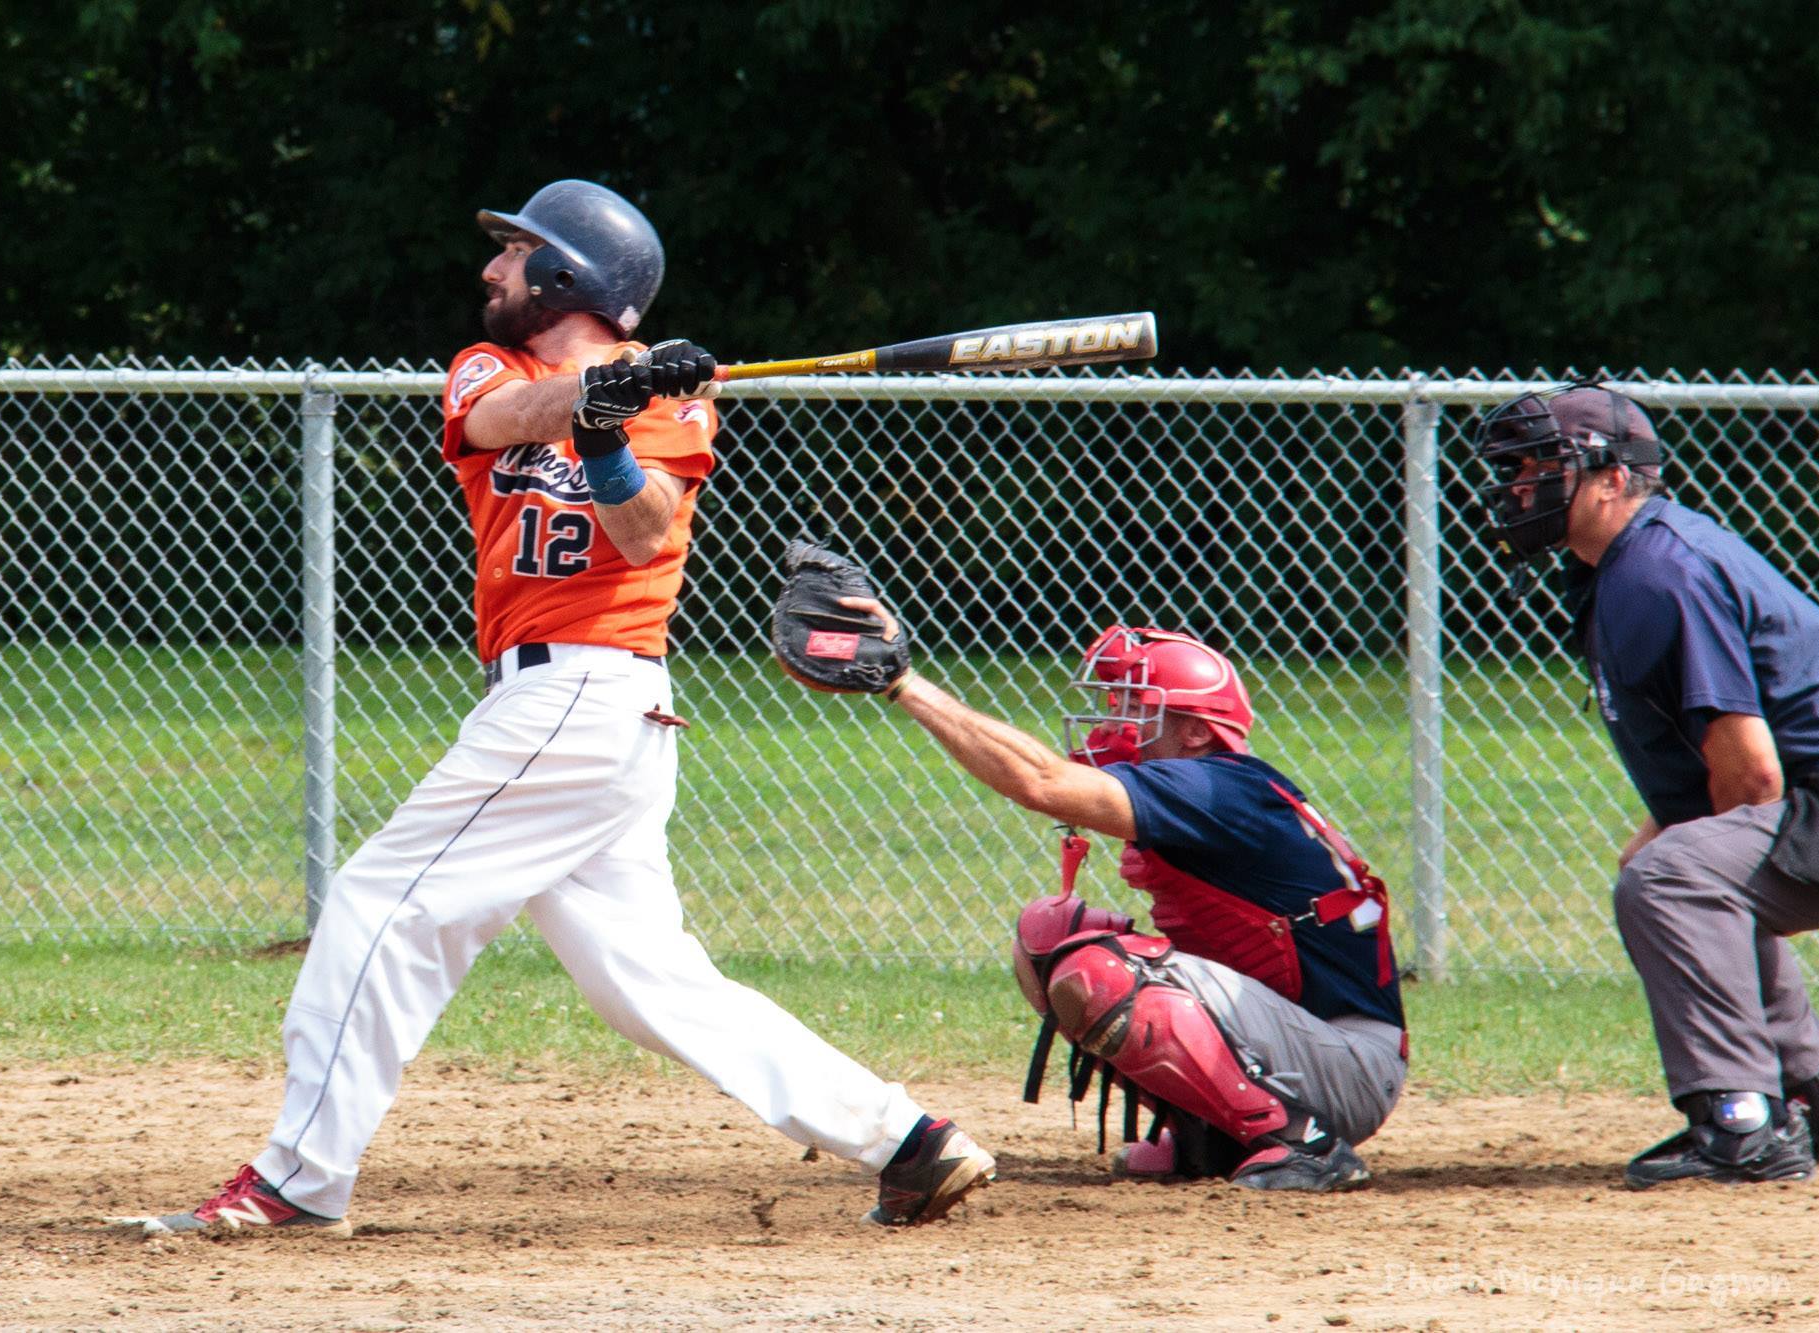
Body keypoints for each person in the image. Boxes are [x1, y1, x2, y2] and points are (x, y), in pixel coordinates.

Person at [115, 179, 993, 1235]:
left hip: (586, 693)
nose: (493, 268)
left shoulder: (677, 399)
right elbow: (500, 418)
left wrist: (617, 428)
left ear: (570, 273)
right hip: (564, 707)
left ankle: (298, 1179)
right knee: (648, 982)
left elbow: (643, 530)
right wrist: (603, 393)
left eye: (516, 250)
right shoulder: (493, 368)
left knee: (381, 909)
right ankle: (908, 1141)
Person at [771, 546, 1406, 1192]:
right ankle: (1213, 1133)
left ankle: (1301, 1142)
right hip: (1303, 1040)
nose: (1112, 722)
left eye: (1135, 707)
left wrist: (903, 684)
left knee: (1103, 971)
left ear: (1195, 732)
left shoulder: (1218, 787)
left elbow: (1041, 781)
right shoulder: (1217, 785)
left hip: (1350, 1059)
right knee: (1048, 933)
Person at [1473, 382, 1819, 1188]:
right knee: (1683, 867)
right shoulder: (1633, 562)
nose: (1520, 487)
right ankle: (1815, 1097)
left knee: (1674, 879)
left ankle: (1743, 1122)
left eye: (1543, 467)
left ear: (1613, 478)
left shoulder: (1657, 572)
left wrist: (1672, 858)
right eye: (1518, 469)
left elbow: (1753, 772)